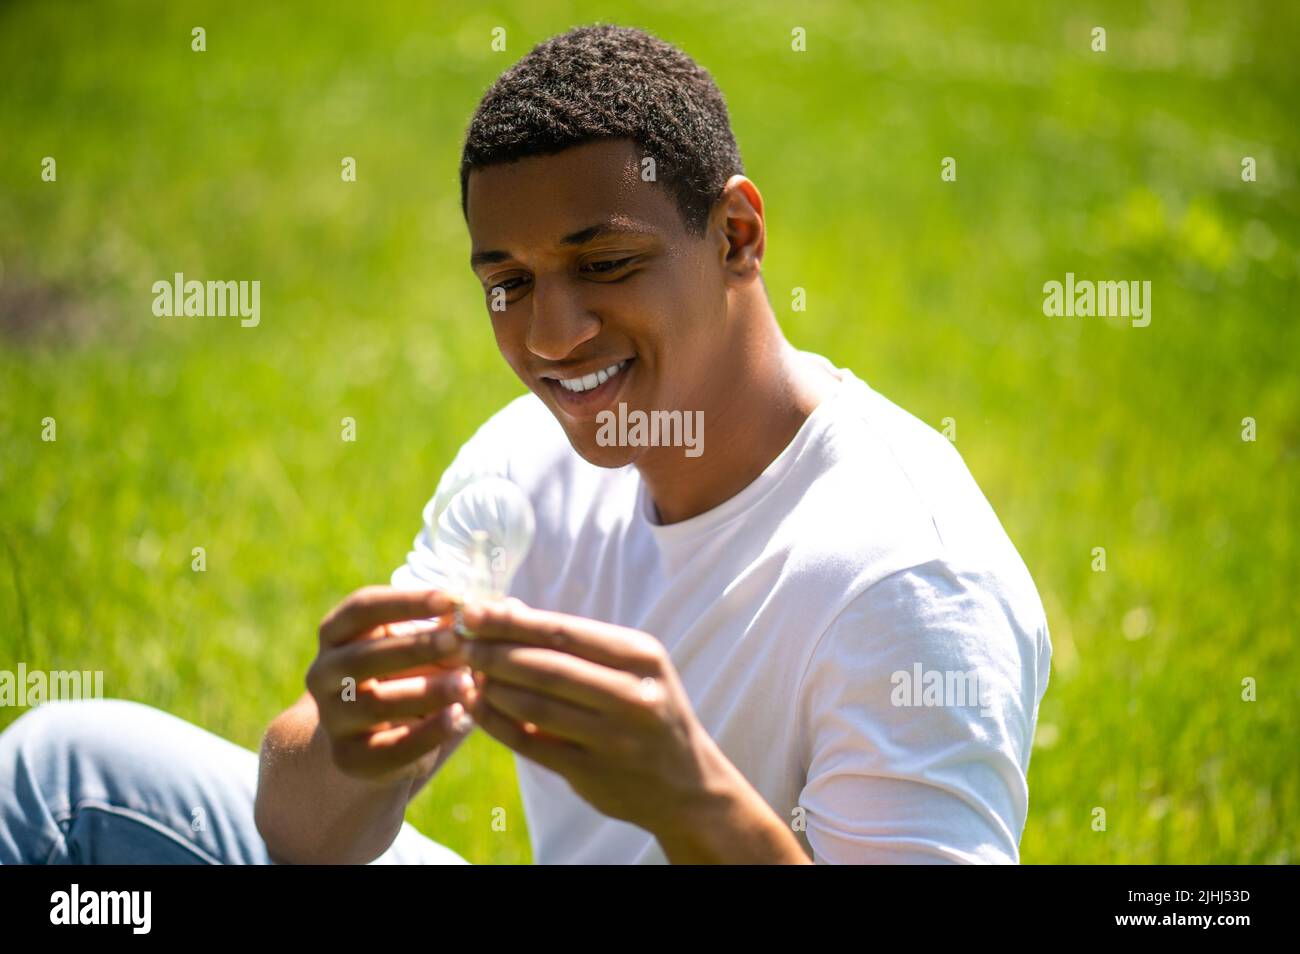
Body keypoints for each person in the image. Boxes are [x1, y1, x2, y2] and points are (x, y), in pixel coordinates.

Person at [0, 24, 1051, 865]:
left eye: (604, 263)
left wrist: (694, 802)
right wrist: (350, 753)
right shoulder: (523, 473)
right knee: (67, 775)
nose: (549, 337)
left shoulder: (908, 578)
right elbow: (304, 844)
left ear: (737, 235)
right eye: (508, 283)